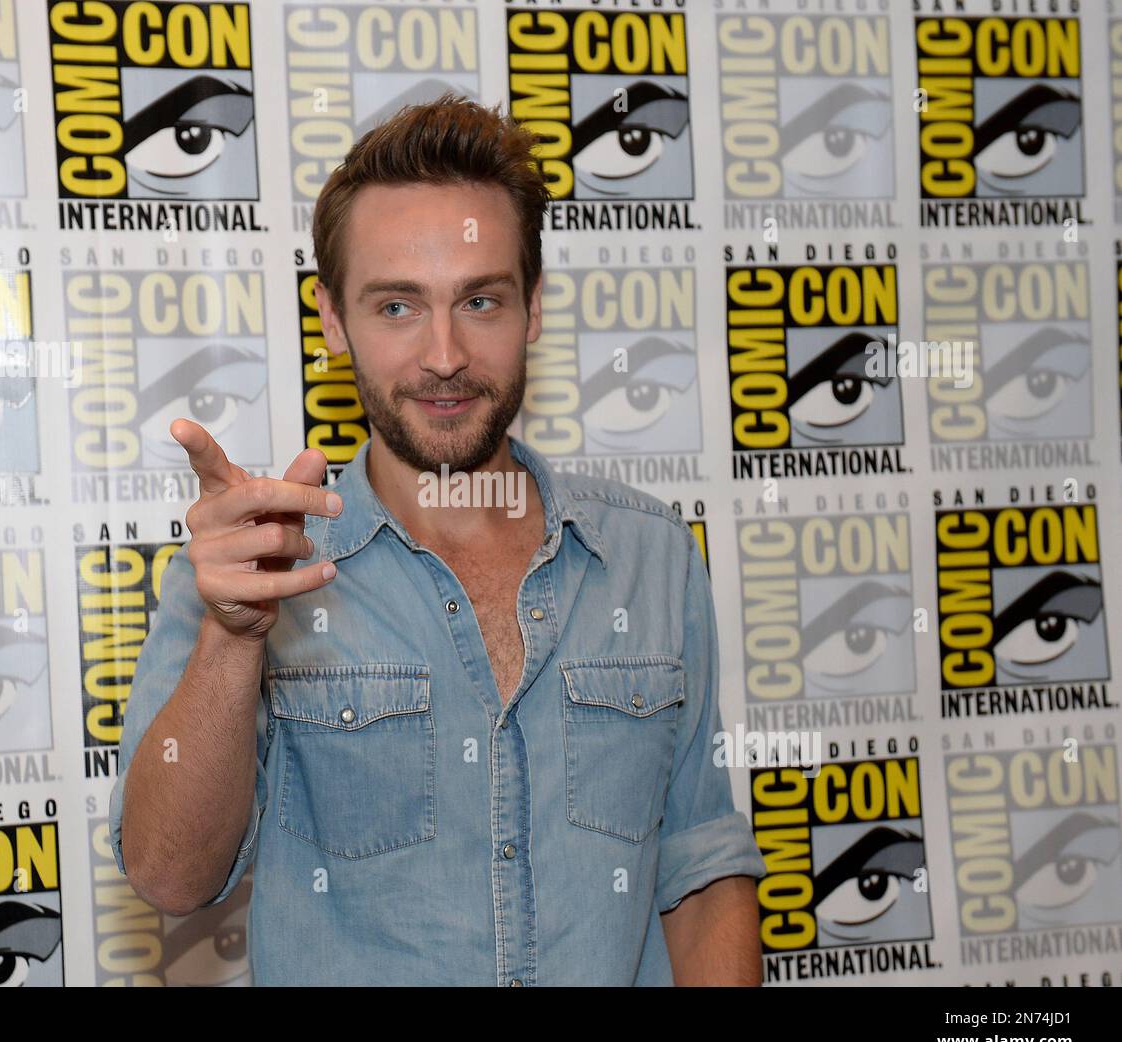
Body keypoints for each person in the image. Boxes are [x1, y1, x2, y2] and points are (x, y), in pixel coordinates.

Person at [110, 93, 766, 986]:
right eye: (396, 308)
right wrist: (231, 636)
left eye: (481, 300)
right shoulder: (254, 568)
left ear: (532, 307)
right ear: (333, 320)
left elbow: (699, 863)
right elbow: (169, 876)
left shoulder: (649, 557)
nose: (446, 355)